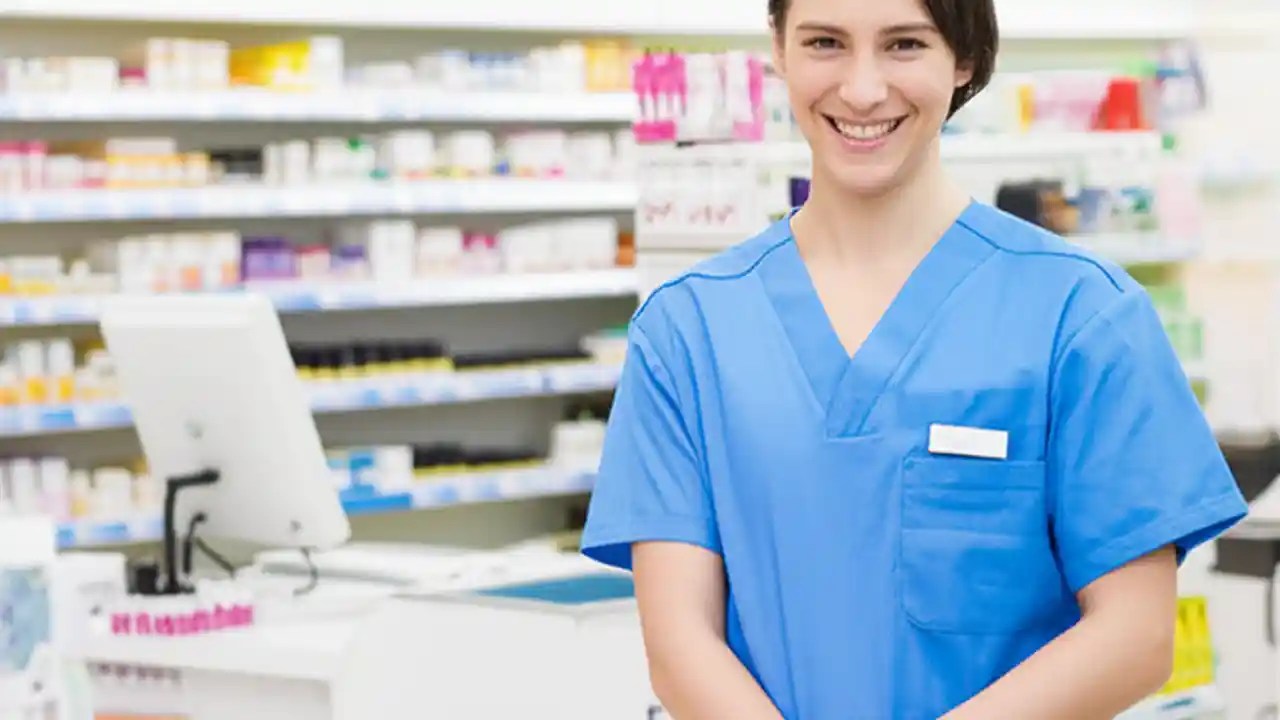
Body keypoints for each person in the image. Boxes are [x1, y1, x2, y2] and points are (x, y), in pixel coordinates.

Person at [579, 0, 1248, 717]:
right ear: (778, 49)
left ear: (962, 58)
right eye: (826, 43)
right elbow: (680, 645)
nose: (863, 89)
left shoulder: (1083, 317)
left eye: (903, 44)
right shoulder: (687, 330)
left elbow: (1136, 635)